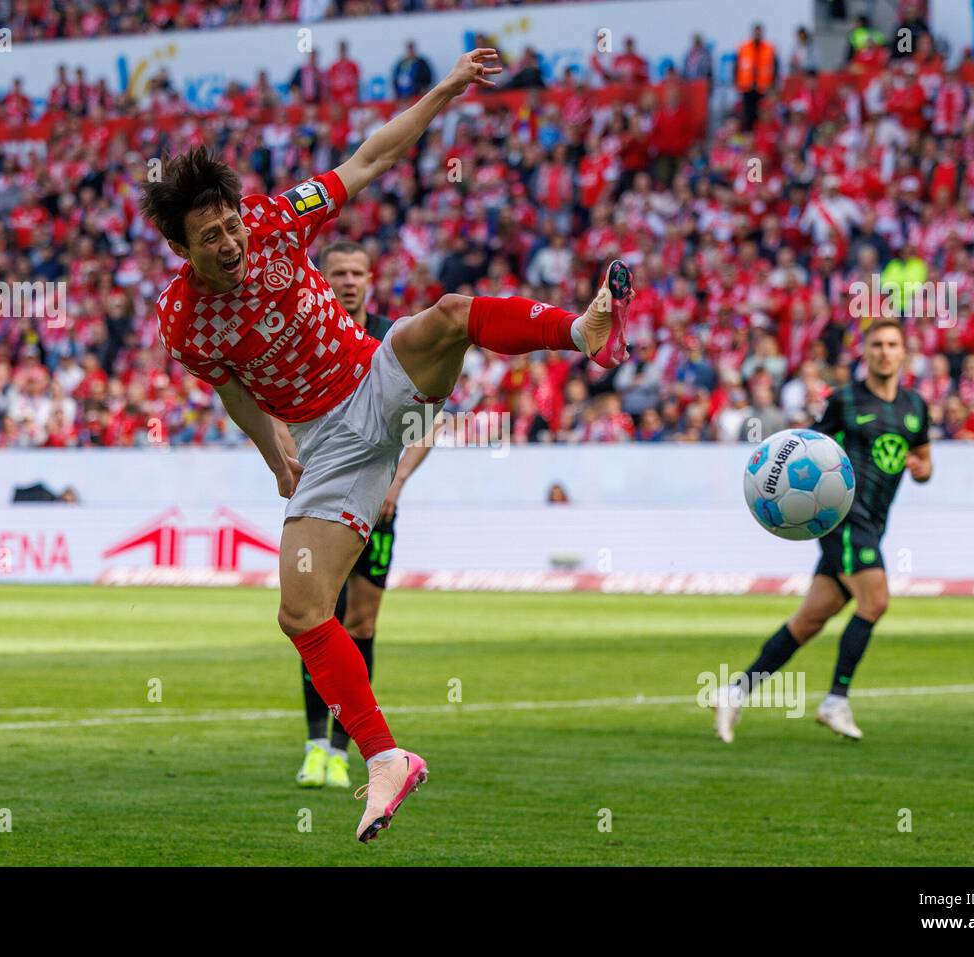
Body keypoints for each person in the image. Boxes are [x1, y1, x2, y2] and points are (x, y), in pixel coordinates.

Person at [139, 48, 633, 842]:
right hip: (325, 447)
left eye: (231, 225)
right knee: (301, 609)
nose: (230, 242)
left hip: (378, 384)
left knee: (445, 313)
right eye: (210, 237)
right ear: (182, 248)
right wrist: (274, 452)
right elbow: (229, 385)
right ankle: (383, 758)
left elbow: (370, 156)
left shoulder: (274, 217)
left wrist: (445, 89)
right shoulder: (180, 320)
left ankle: (581, 330)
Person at [713, 319, 932, 742]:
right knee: (877, 600)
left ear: (903, 352)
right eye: (877, 345)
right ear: (865, 352)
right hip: (844, 520)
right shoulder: (845, 401)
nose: (885, 351)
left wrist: (922, 469)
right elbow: (805, 448)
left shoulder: (916, 406)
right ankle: (836, 700)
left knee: (809, 620)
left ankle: (735, 691)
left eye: (892, 344)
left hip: (875, 524)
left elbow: (923, 459)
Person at [293, 240, 436, 791]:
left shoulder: (390, 339)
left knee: (362, 623)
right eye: (338, 272)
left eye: (357, 272)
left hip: (380, 501)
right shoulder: (305, 337)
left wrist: (397, 481)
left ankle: (341, 747)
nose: (348, 281)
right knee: (315, 616)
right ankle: (315, 748)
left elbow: (427, 420)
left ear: (370, 279)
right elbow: (277, 406)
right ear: (321, 279)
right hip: (322, 498)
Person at [735, 23, 776, 131]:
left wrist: (772, 84)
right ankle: (749, 135)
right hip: (747, 87)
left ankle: (760, 135)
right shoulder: (744, 47)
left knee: (762, 113)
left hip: (763, 88)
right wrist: (736, 82)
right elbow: (737, 66)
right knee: (748, 114)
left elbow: (775, 67)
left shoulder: (769, 48)